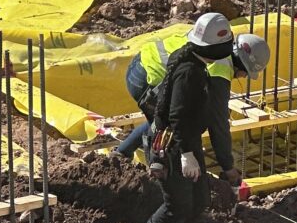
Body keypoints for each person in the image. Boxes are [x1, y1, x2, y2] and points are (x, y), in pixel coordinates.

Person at [131, 16, 270, 223]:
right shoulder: (193, 71)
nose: (239, 75)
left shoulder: (202, 62)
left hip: (182, 133)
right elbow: (184, 117)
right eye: (243, 72)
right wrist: (191, 155)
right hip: (171, 137)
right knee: (180, 203)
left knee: (200, 200)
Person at [114, 18, 269, 164]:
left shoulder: (215, 43)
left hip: (139, 64)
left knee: (162, 118)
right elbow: (218, 124)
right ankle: (158, 170)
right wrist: (227, 165)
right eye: (246, 72)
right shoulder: (220, 68)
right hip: (148, 79)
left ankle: (121, 153)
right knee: (176, 123)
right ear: (240, 62)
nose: (243, 77)